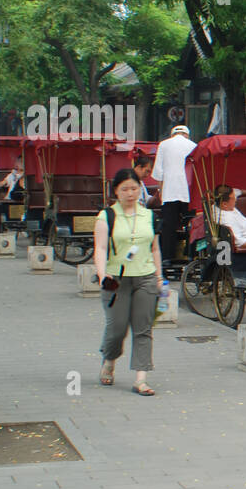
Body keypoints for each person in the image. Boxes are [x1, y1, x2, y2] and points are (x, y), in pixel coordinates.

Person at [94, 168, 164, 397]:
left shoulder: (149, 216)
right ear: (116, 191)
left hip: (145, 277)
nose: (130, 193)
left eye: (134, 188)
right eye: (125, 189)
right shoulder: (107, 216)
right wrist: (103, 274)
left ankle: (141, 378)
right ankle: (109, 359)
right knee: (117, 328)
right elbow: (101, 248)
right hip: (116, 279)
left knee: (143, 329)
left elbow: (155, 248)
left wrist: (159, 277)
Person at [151, 124, 196, 262]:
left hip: (169, 192)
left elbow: (159, 173)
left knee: (168, 226)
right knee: (191, 224)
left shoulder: (163, 145)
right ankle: (191, 255)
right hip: (189, 193)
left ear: (172, 134)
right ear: (186, 134)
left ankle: (167, 257)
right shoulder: (194, 145)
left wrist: (160, 191)